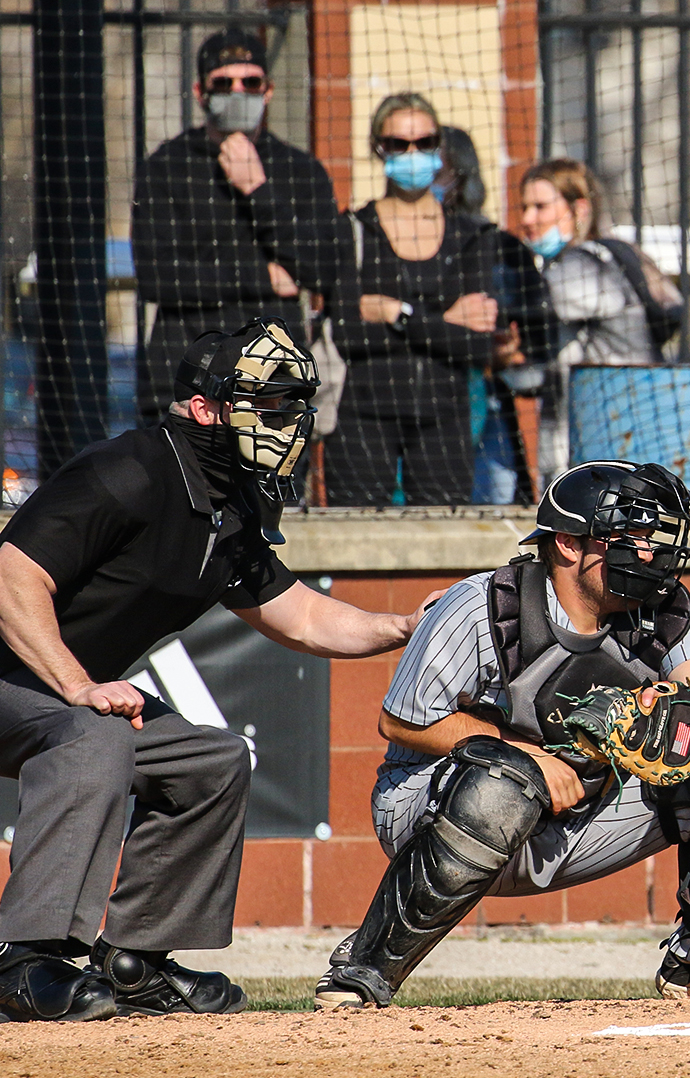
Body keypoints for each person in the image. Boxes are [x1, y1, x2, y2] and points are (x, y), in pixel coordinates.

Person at [0, 320, 439, 1022]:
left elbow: (297, 616)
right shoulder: (132, 470)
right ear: (204, 407)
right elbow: (11, 572)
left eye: (293, 404)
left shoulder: (231, 504)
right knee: (95, 735)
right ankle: (26, 960)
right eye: (268, 404)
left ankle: (138, 960)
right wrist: (76, 684)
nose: (288, 422)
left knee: (212, 759)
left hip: (49, 696)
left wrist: (403, 628)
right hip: (23, 681)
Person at [311, 460, 690, 1009]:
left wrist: (679, 710)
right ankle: (361, 971)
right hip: (434, 810)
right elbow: (403, 720)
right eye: (630, 535)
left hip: (579, 810)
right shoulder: (486, 605)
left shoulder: (665, 610)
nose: (650, 551)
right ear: (570, 544)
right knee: (508, 780)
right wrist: (520, 754)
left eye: (657, 536)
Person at [132, 27, 344, 424]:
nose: (238, 92)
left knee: (271, 486)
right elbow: (157, 277)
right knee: (179, 487)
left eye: (250, 82)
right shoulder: (166, 167)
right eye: (224, 83)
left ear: (268, 90)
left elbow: (324, 268)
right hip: (184, 379)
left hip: (271, 382)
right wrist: (262, 276)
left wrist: (257, 189)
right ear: (200, 92)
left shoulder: (301, 171)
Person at [326, 93, 497, 506]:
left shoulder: (471, 235)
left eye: (424, 142)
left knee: (444, 552)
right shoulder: (353, 230)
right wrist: (444, 322)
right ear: (378, 148)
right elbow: (349, 335)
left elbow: (477, 345)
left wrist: (395, 313)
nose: (412, 152)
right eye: (398, 144)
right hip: (363, 418)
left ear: (440, 147)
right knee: (356, 547)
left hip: (444, 420)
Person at [519, 159, 684, 476]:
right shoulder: (622, 253)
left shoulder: (584, 263)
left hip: (600, 436)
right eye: (525, 207)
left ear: (579, 209)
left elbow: (542, 308)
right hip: (632, 427)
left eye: (540, 206)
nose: (528, 219)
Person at [433, 127, 554, 504]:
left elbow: (537, 339)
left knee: (493, 508)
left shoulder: (501, 248)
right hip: (418, 401)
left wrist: (505, 355)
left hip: (488, 405)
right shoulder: (385, 238)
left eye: (440, 172)